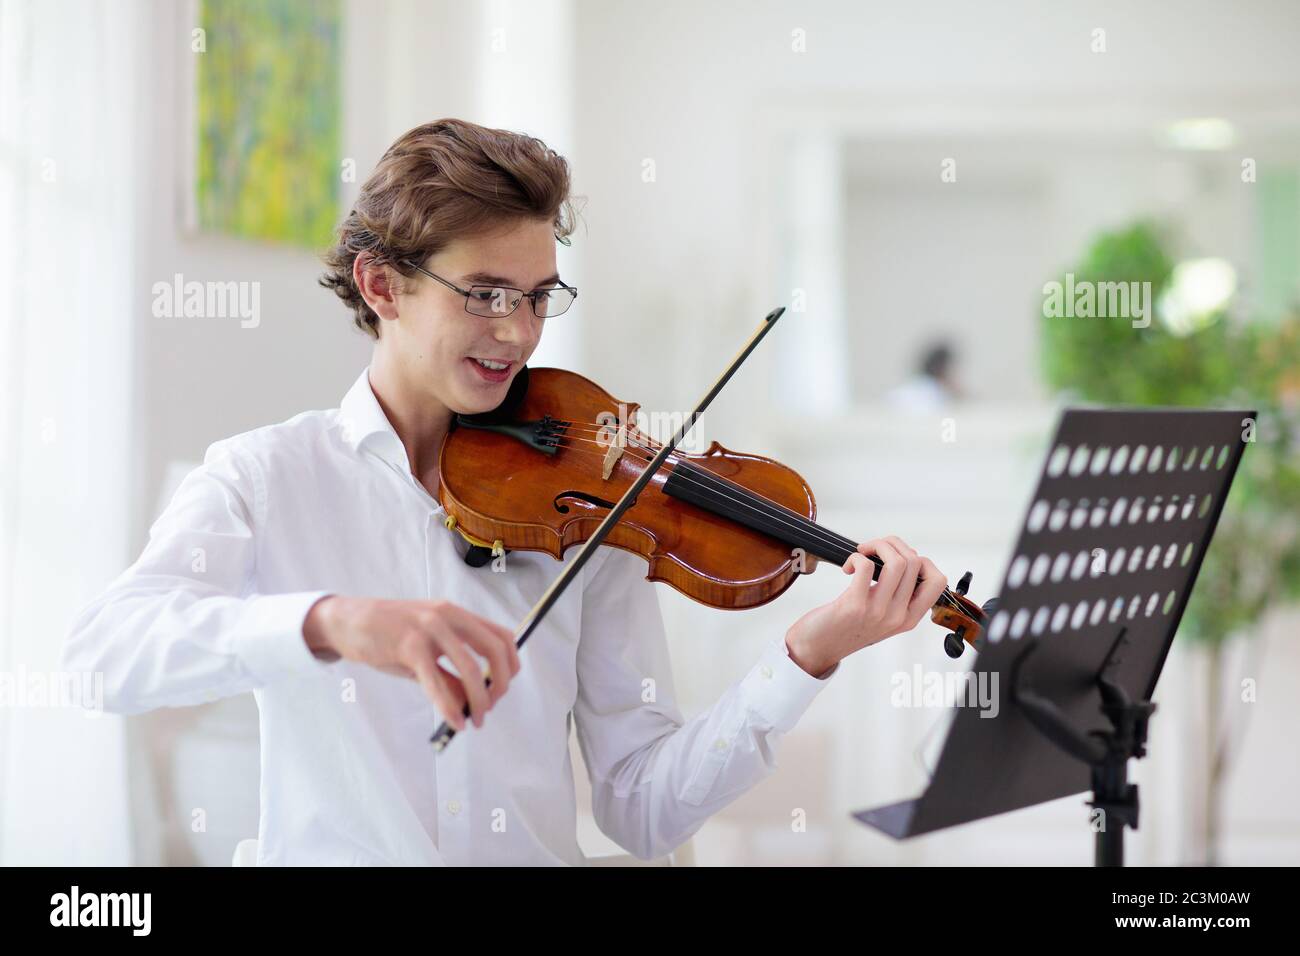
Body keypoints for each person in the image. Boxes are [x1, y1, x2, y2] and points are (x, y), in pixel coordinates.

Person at [63, 119, 947, 865]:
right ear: (382, 285)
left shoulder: (589, 509)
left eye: (536, 297)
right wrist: (332, 622)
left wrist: (807, 654)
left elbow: (641, 808)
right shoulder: (266, 477)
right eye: (484, 295)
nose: (518, 333)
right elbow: (103, 657)